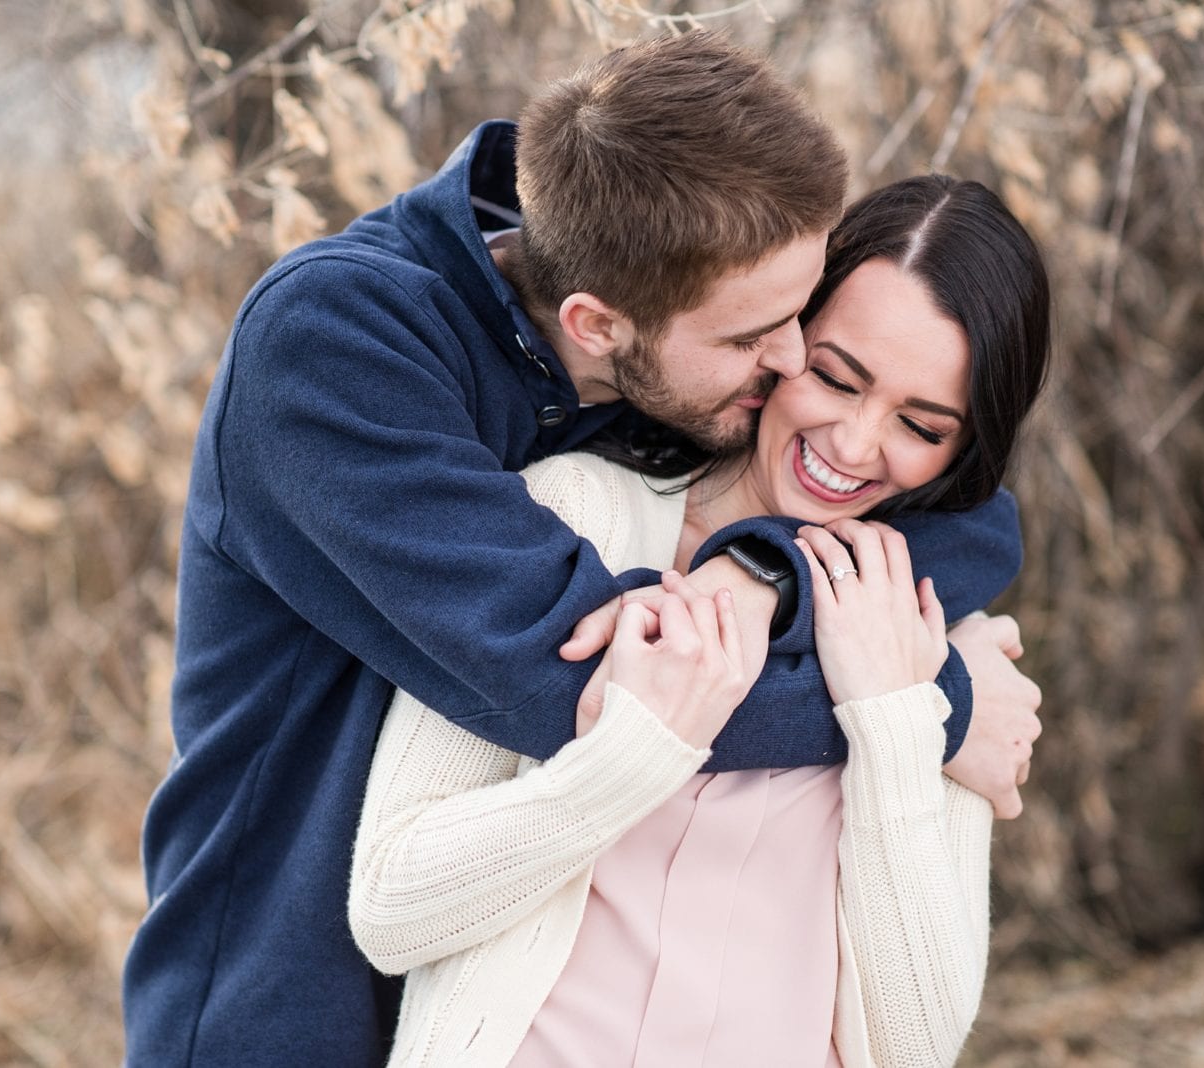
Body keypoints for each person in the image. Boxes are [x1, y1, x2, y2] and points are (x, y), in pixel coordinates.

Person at [122, 32, 1040, 1065]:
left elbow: (961, 511)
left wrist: (771, 574)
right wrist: (933, 701)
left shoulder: (664, 360)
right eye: (759, 340)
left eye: (799, 321)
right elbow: (598, 677)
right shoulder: (340, 347)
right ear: (596, 325)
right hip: (288, 1001)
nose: (785, 364)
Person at [350, 175, 1050, 1067]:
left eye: (921, 423)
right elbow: (391, 909)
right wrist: (635, 756)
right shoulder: (572, 519)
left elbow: (917, 1042)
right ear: (783, 334)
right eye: (837, 378)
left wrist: (896, 721)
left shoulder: (925, 623)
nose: (855, 445)